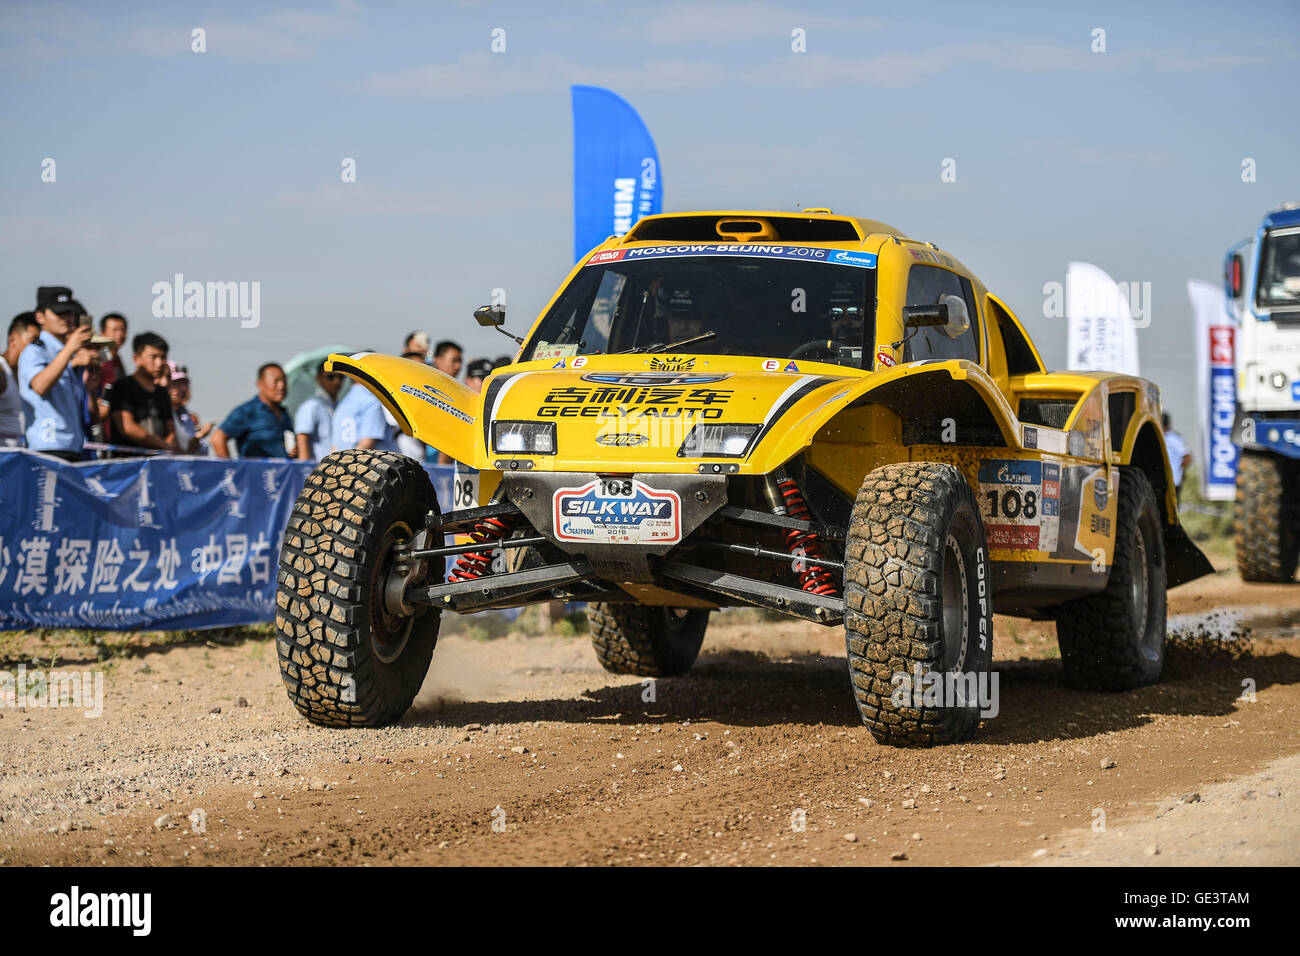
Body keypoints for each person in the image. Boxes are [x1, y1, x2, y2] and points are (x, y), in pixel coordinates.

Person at [17, 286, 103, 461]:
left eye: (69, 313)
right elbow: (40, 386)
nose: (66, 318)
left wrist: (90, 388)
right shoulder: (35, 350)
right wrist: (70, 349)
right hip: (47, 448)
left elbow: (88, 415)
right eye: (58, 313)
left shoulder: (68, 355)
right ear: (39, 316)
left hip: (73, 447)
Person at [106, 332, 175, 453]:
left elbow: (170, 429)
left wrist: (167, 446)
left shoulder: (162, 393)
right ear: (136, 358)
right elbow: (126, 427)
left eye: (163, 357)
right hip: (129, 465)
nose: (159, 364)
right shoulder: (122, 387)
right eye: (153, 357)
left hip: (159, 465)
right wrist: (160, 444)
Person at [211, 362, 296, 459]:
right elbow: (217, 439)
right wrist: (230, 470)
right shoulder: (247, 411)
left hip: (284, 473)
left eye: (284, 381)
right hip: (253, 473)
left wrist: (293, 450)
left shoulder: (284, 414)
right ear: (260, 384)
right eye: (275, 381)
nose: (281, 386)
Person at [332, 373, 400, 454]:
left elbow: (334, 447)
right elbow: (367, 443)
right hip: (370, 464)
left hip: (344, 462)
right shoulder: (371, 402)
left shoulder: (342, 404)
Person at [0, 313, 40, 446]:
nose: (37, 347)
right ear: (13, 340)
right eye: (33, 340)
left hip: (20, 459)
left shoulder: (28, 374)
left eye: (40, 342)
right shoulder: (2, 370)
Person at [294, 361, 345, 460]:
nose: (337, 381)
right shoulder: (311, 405)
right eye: (331, 377)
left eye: (341, 377)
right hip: (317, 470)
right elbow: (302, 438)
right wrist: (305, 469)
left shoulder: (340, 405)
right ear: (318, 378)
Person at [165, 360, 211, 454]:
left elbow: (199, 451)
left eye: (183, 384)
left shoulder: (188, 416)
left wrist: (199, 436)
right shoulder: (160, 413)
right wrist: (199, 436)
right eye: (175, 384)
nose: (182, 389)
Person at [1163, 412, 1192, 502]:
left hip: (1173, 482)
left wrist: (1180, 473)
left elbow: (1187, 457)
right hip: (1162, 482)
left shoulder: (1173, 438)